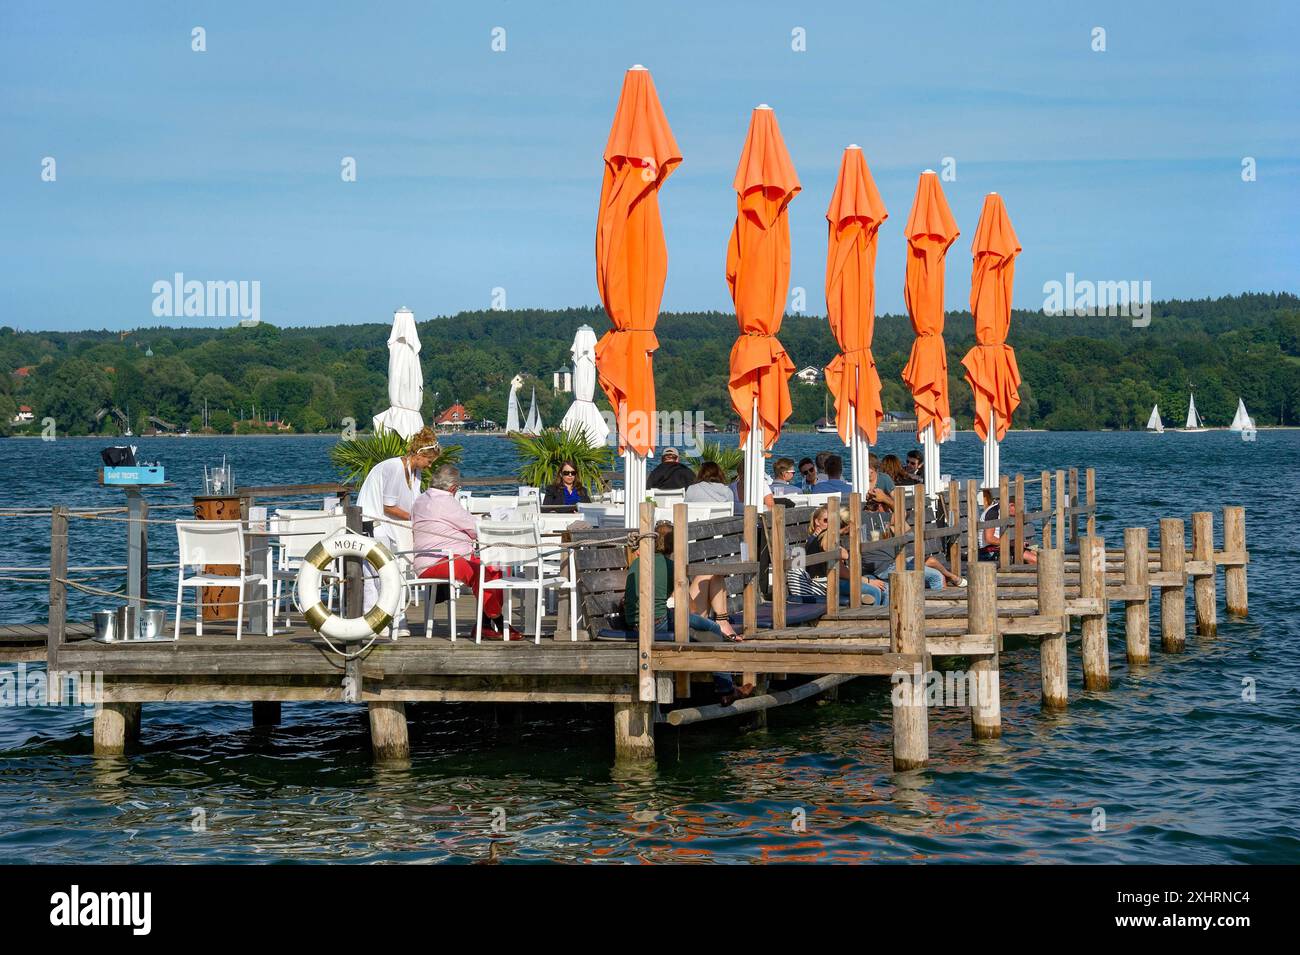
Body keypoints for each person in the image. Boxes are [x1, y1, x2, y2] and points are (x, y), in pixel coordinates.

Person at [623, 522, 754, 705]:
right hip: (657, 623)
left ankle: (726, 673)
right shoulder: (671, 566)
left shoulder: (638, 562)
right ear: (674, 544)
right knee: (713, 629)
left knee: (705, 632)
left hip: (635, 623)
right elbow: (687, 605)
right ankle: (726, 689)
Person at [412, 464, 519, 640]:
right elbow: (474, 528)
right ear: (453, 488)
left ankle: (484, 625)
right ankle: (498, 621)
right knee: (484, 571)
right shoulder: (446, 501)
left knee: (493, 568)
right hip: (440, 560)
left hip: (430, 559)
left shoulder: (421, 499)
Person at [356, 426, 440, 638]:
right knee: (376, 573)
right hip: (372, 522)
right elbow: (388, 506)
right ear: (420, 454)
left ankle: (394, 616)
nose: (430, 466)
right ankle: (375, 619)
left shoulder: (416, 473)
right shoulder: (394, 467)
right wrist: (416, 519)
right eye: (429, 461)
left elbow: (414, 501)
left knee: (393, 571)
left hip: (388, 525)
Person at [796, 504, 888, 606]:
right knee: (875, 591)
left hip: (833, 580)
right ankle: (874, 620)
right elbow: (841, 559)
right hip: (827, 583)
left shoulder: (824, 536)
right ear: (848, 525)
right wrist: (868, 581)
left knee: (881, 587)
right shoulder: (825, 536)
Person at [979, 488, 1038, 564]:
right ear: (1011, 505)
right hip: (990, 550)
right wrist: (1012, 543)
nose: (1020, 510)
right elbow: (989, 539)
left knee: (1040, 556)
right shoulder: (993, 513)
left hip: (1004, 546)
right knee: (1035, 559)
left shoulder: (1004, 511)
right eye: (1018, 507)